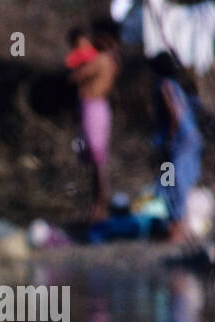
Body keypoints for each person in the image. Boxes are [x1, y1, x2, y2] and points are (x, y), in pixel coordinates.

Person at [70, 19, 121, 222]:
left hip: (94, 107)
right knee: (94, 160)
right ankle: (97, 206)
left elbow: (75, 78)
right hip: (93, 107)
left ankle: (101, 207)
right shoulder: (110, 59)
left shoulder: (101, 60)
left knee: (97, 160)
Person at [151, 52, 204, 242]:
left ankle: (177, 224)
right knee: (169, 180)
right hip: (187, 138)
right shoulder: (177, 86)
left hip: (178, 140)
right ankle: (171, 223)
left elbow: (175, 113)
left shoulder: (165, 86)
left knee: (174, 180)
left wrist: (170, 137)